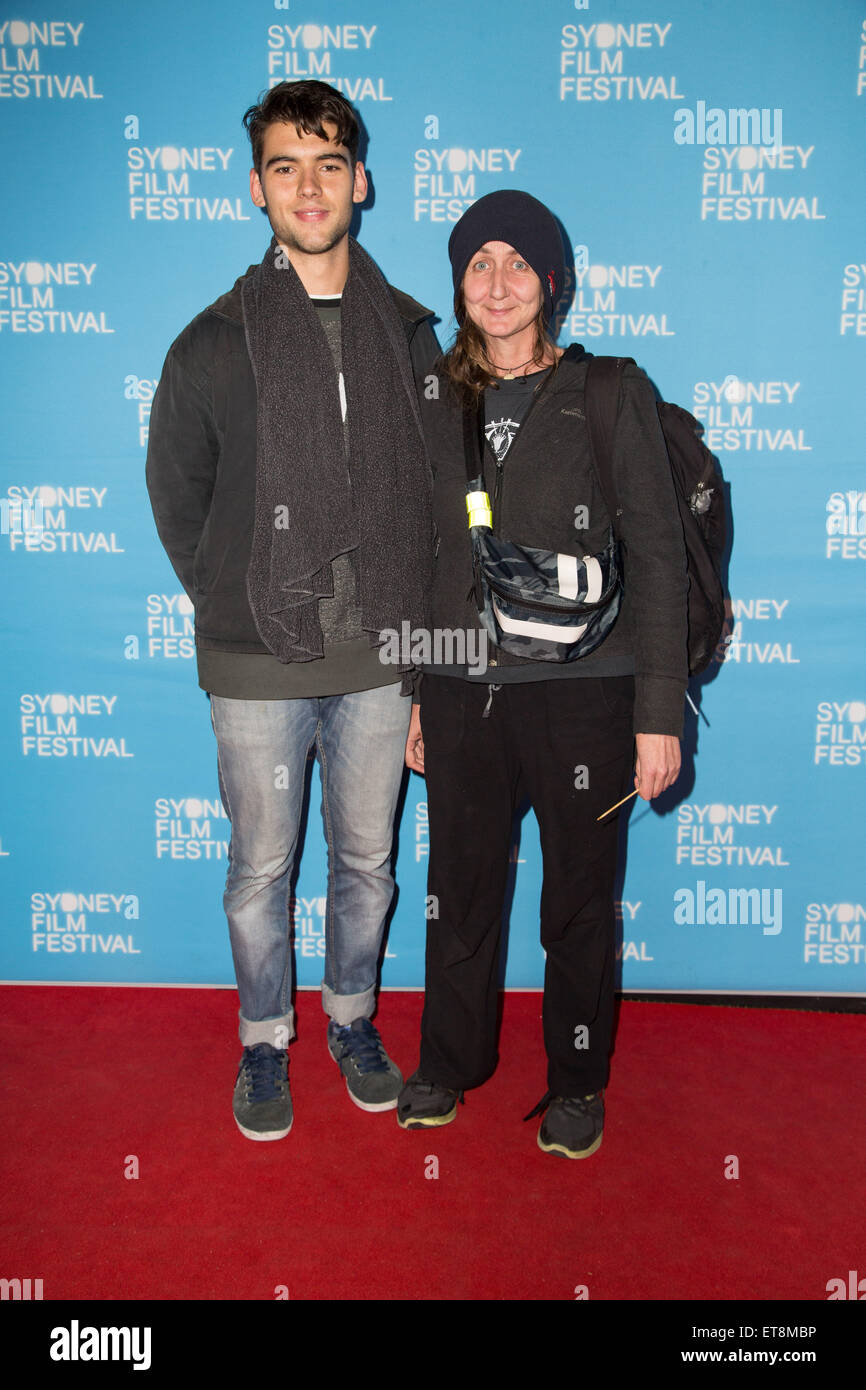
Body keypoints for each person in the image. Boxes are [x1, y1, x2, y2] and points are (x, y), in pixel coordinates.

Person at [146, 80, 437, 1141]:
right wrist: (233, 599)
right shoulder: (214, 342)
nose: (307, 186)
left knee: (368, 861)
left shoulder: (410, 336)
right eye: (284, 166)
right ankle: (265, 1041)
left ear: (358, 180)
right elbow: (178, 494)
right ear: (257, 189)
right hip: (257, 658)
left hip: (379, 659)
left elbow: (438, 508)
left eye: (326, 163)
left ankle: (351, 1021)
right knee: (259, 868)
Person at [397, 190, 687, 1158]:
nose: (496, 282)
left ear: (552, 281)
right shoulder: (435, 398)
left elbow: (653, 548)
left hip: (587, 696)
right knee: (460, 889)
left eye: (517, 262)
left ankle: (573, 1080)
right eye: (477, 263)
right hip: (464, 693)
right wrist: (416, 692)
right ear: (458, 284)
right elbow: (427, 557)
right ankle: (446, 1061)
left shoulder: (608, 390)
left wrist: (658, 712)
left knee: (576, 898)